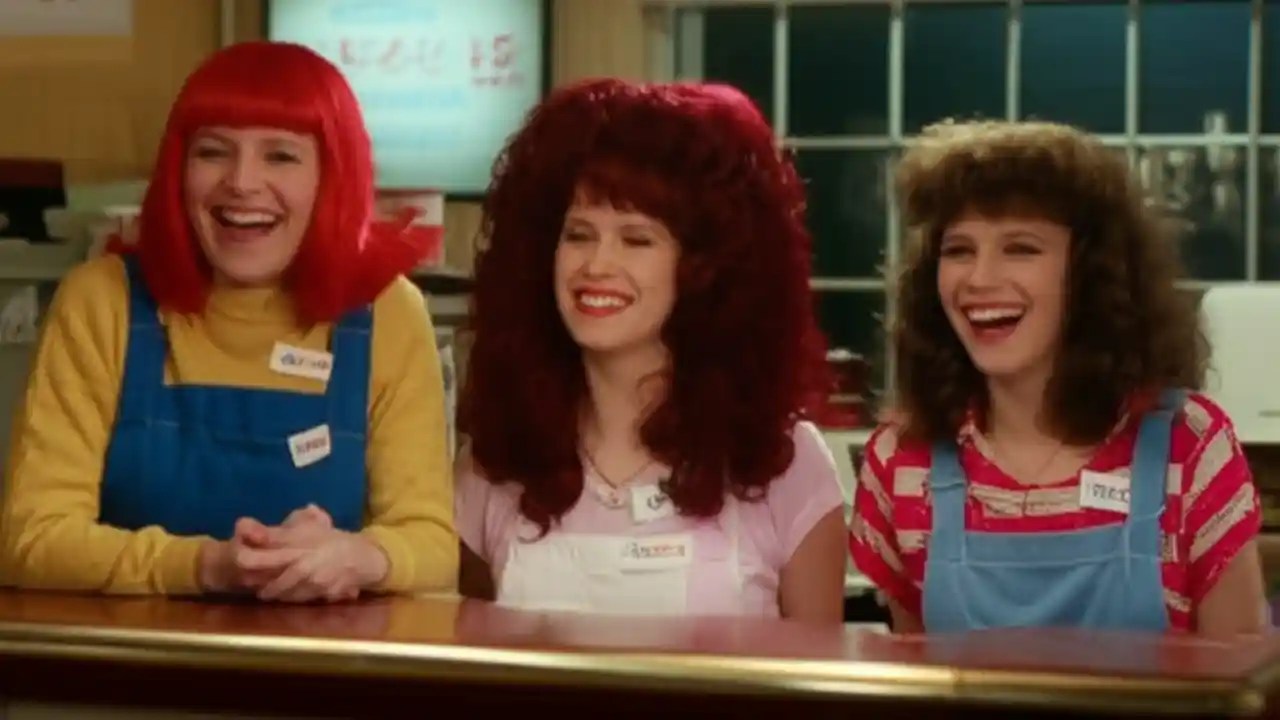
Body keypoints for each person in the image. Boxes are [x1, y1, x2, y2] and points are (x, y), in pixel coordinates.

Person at [0, 41, 458, 602]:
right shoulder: (101, 302)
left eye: (281, 156)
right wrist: (207, 565)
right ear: (179, 169)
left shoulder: (388, 311)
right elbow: (31, 539)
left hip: (324, 679)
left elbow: (431, 543)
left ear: (331, 179)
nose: (241, 182)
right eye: (213, 152)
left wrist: (362, 556)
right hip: (121, 676)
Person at [850, 119, 1267, 637]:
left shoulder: (1190, 446)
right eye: (958, 250)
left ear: (1093, 273)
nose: (979, 279)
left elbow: (1247, 691)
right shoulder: (901, 463)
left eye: (1020, 248)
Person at [454, 78, 847, 621]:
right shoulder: (492, 463)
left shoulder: (785, 463)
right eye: (578, 234)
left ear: (705, 269)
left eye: (636, 239)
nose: (597, 265)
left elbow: (819, 696)